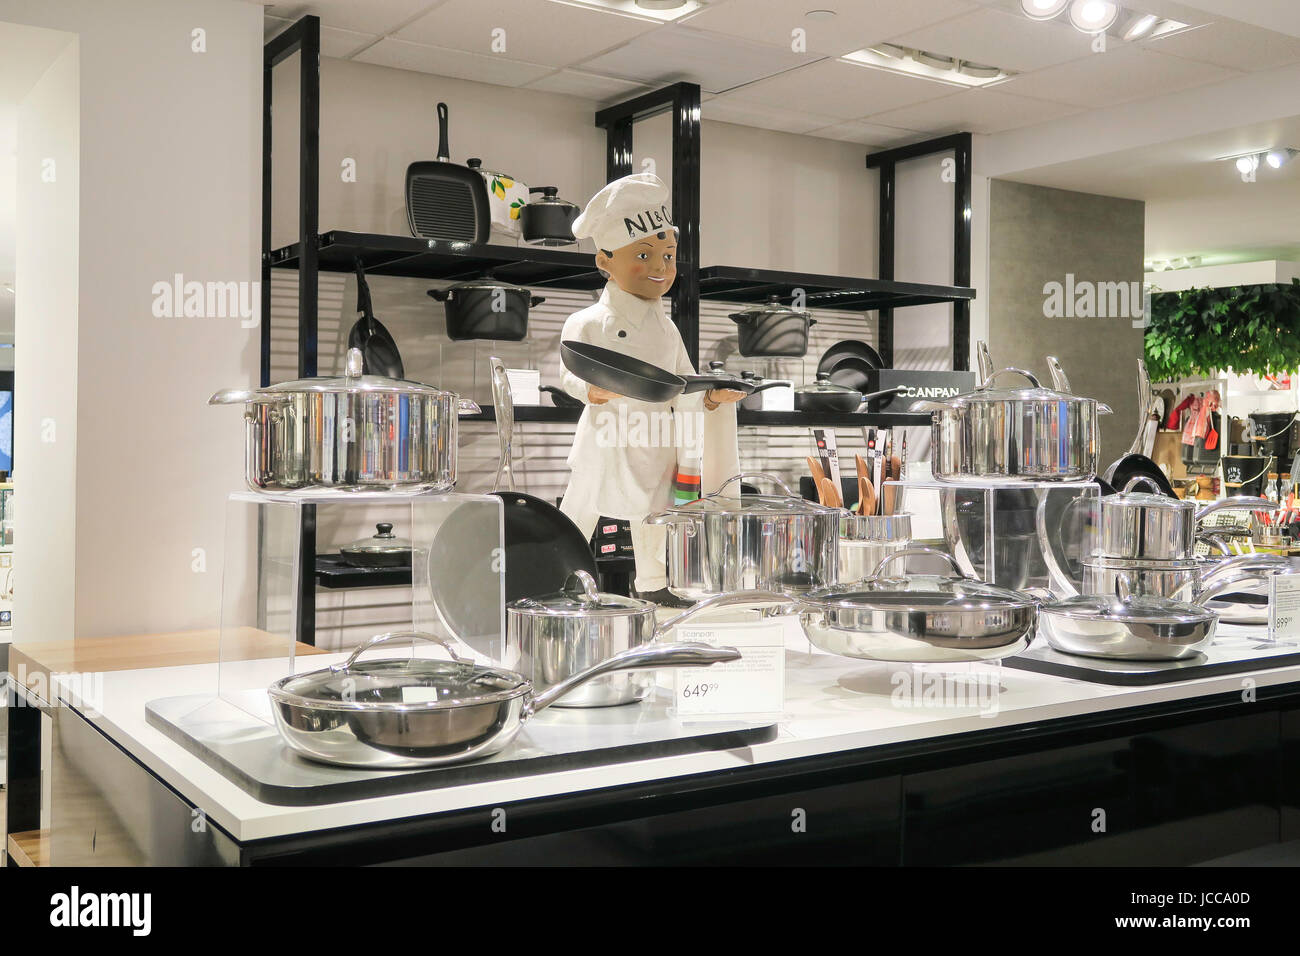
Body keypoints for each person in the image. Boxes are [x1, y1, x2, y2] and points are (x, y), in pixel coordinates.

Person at [558, 173, 742, 606]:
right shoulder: (586, 322)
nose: (660, 268)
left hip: (655, 434)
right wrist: (590, 390)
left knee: (653, 513)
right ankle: (560, 574)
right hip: (607, 432)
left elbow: (683, 382)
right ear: (605, 262)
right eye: (644, 255)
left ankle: (653, 583)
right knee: (582, 507)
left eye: (668, 255)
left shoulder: (667, 328)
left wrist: (713, 397)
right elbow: (570, 370)